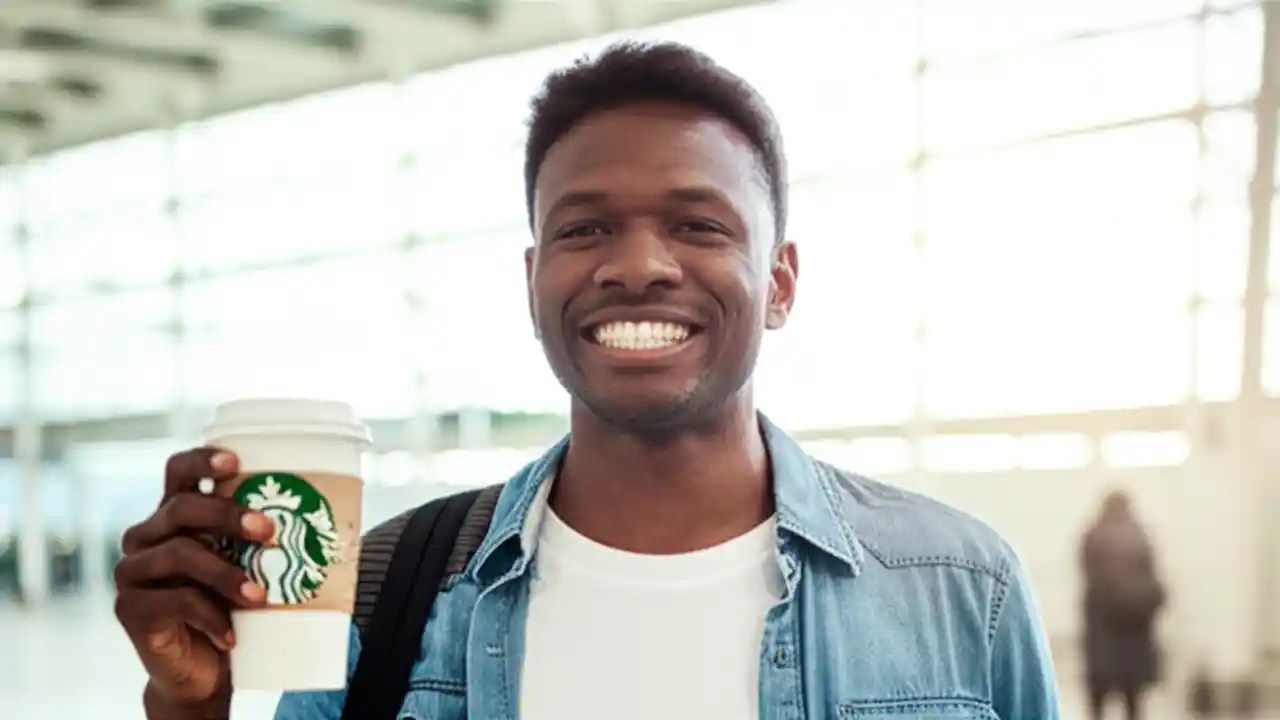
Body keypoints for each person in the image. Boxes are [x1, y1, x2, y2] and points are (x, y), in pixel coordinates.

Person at [114, 41, 1060, 720]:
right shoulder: (391, 587)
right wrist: (186, 711)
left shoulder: (959, 590)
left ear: (779, 282)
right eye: (584, 229)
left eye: (698, 224)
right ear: (533, 281)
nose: (638, 265)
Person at [1082, 491, 1165, 720]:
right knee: (1133, 694)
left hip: (1104, 626)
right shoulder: (1140, 537)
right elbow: (1154, 579)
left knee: (1099, 693)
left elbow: (1088, 575)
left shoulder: (1094, 535)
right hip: (1135, 627)